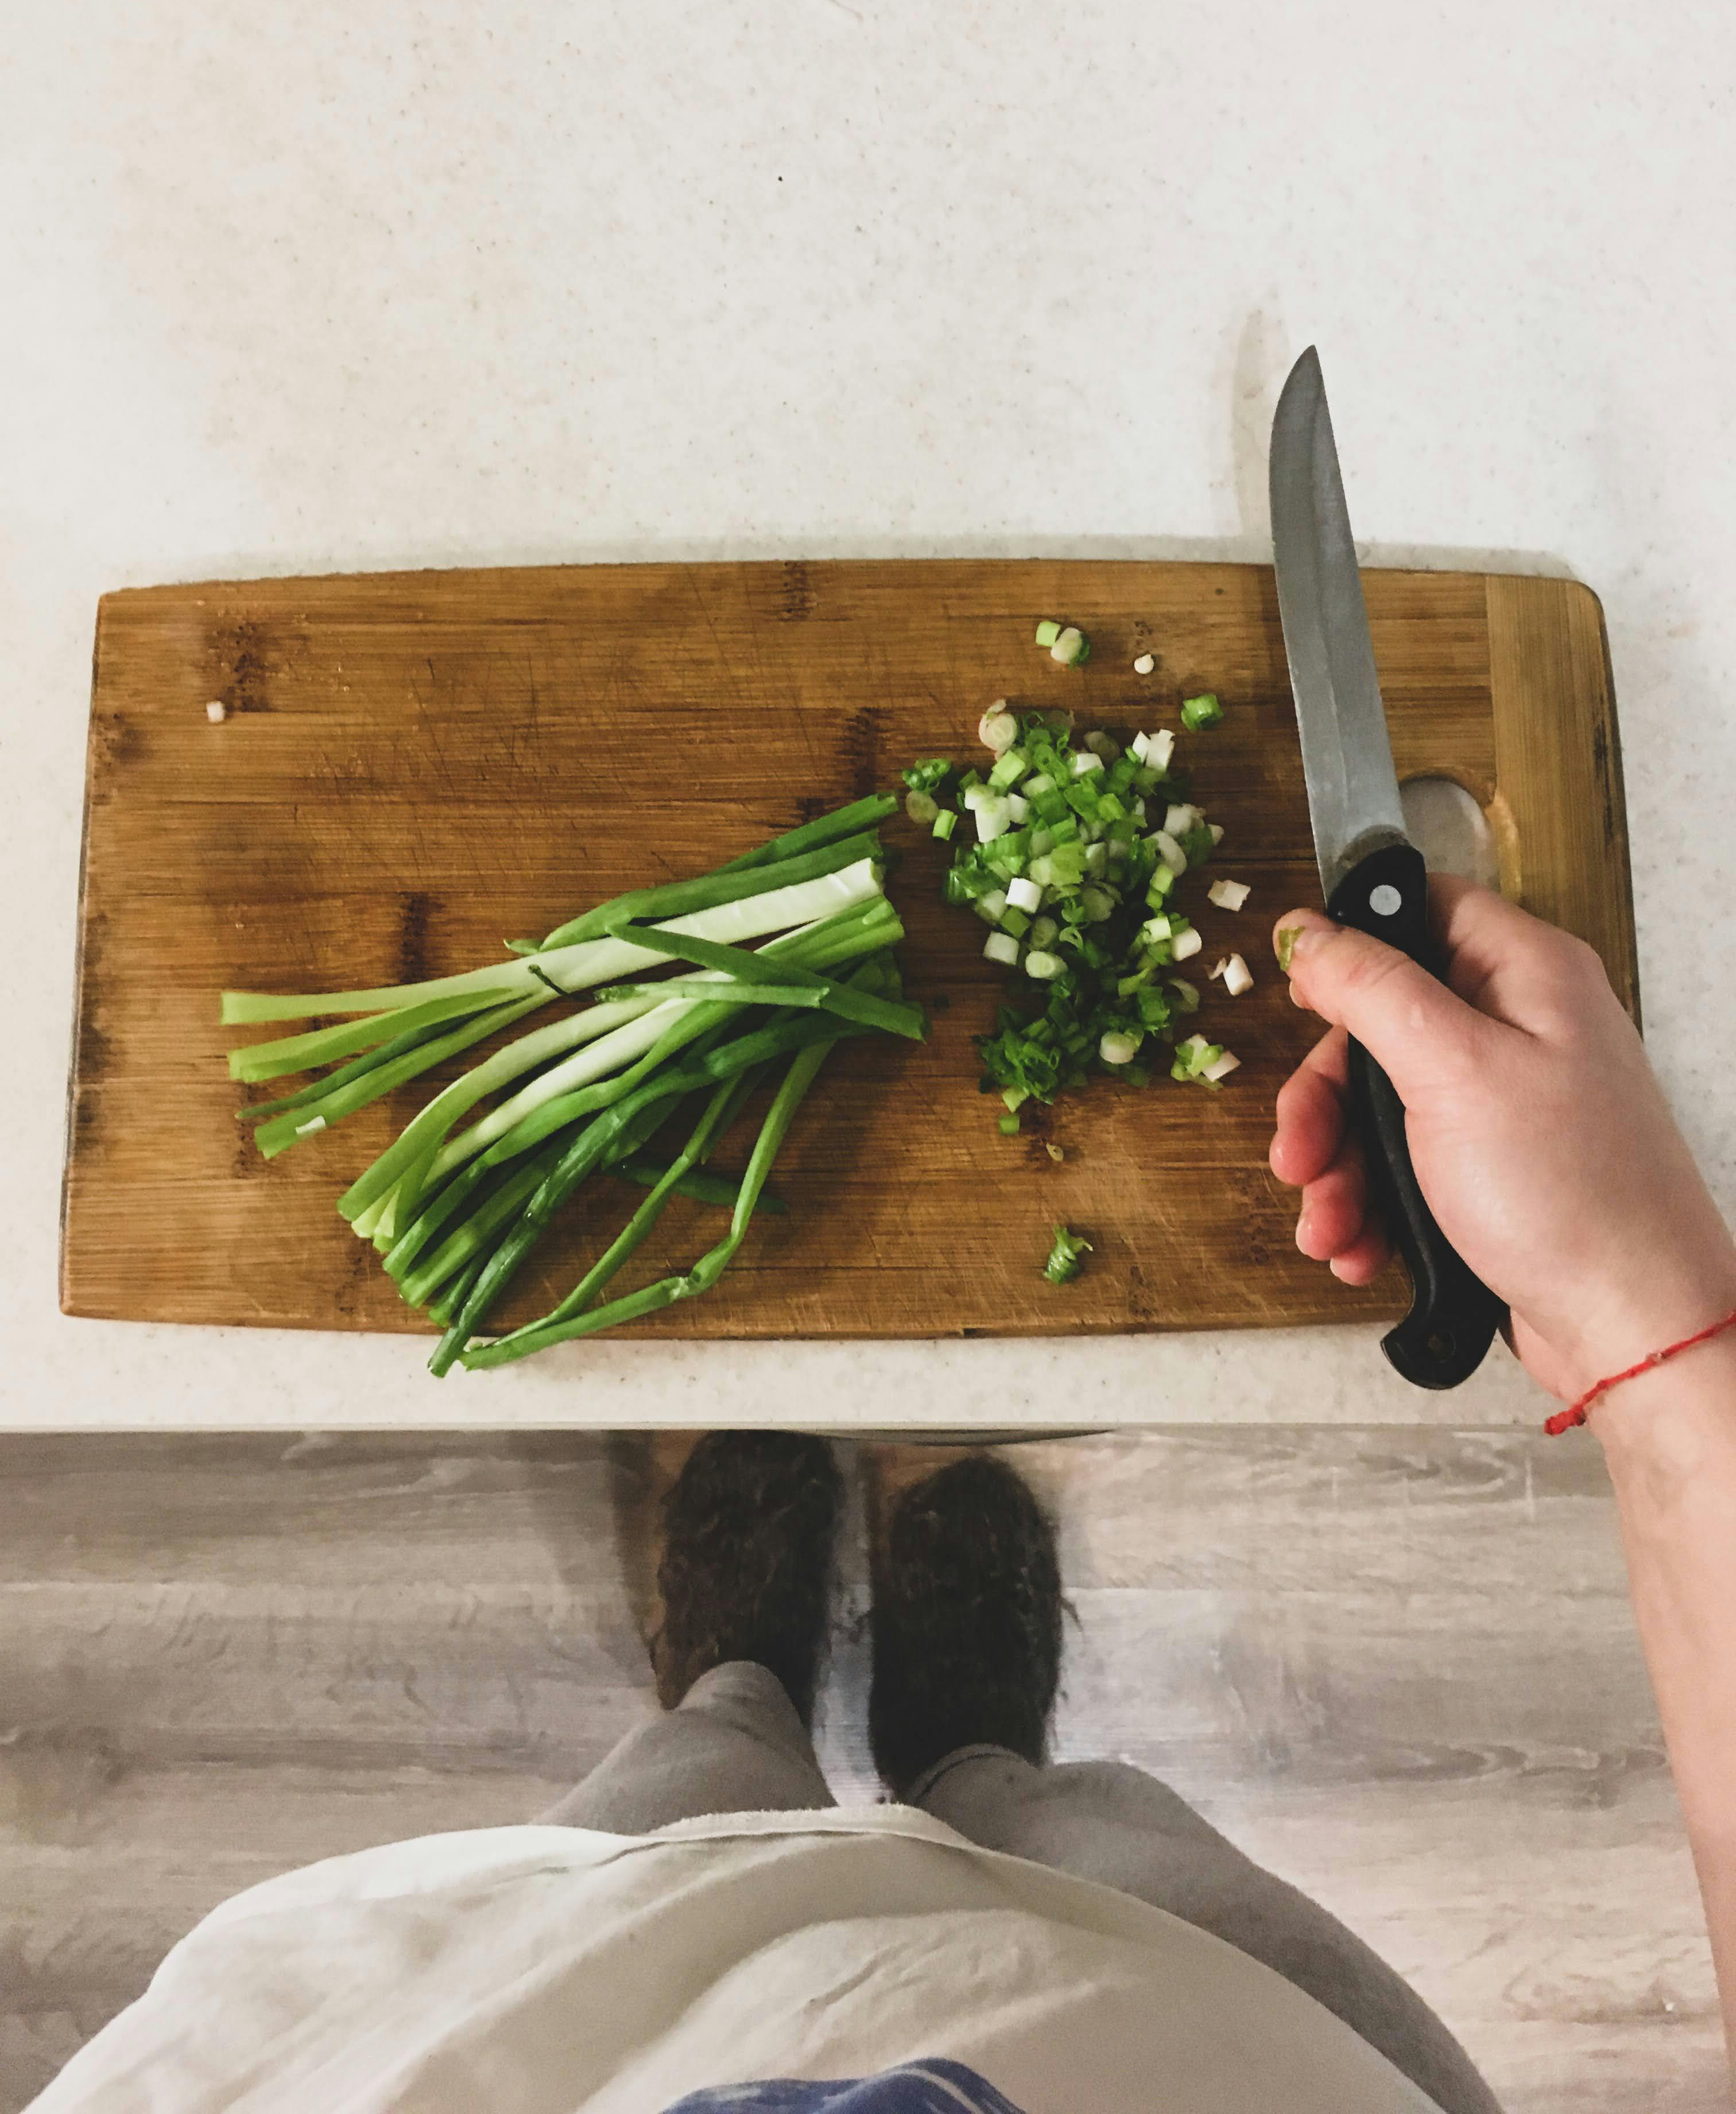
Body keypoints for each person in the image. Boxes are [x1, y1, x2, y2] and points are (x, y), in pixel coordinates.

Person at [29, 879, 1736, 2113]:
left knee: (673, 1810)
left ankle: (738, 1687)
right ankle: (971, 1753)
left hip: (503, 2051)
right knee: (1095, 1850)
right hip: (1188, 2057)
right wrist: (1642, 1315)